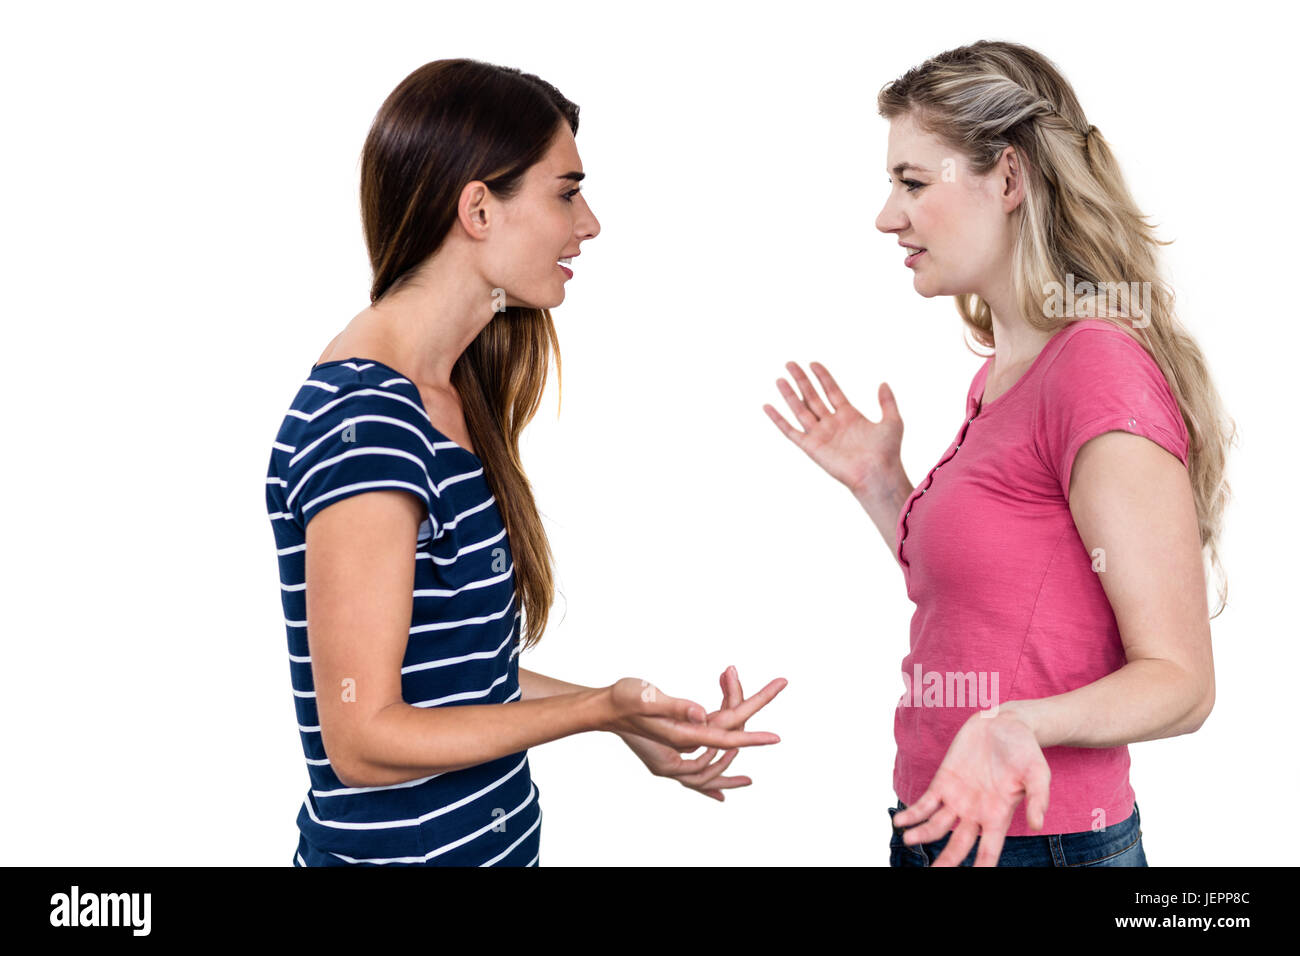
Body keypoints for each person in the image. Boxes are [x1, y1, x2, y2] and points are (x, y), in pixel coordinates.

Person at [265, 58, 786, 867]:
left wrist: (620, 715)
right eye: (566, 191)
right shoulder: (364, 423)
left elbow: (460, 677)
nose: (590, 224)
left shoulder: (447, 399)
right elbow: (362, 738)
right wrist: (591, 713)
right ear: (478, 208)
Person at [763, 40, 1233, 867]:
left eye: (912, 182)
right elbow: (988, 608)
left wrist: (1020, 723)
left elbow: (1183, 682)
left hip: (1042, 849)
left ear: (1009, 180)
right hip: (941, 824)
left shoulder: (1094, 369)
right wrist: (882, 486)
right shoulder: (1000, 375)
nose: (886, 216)